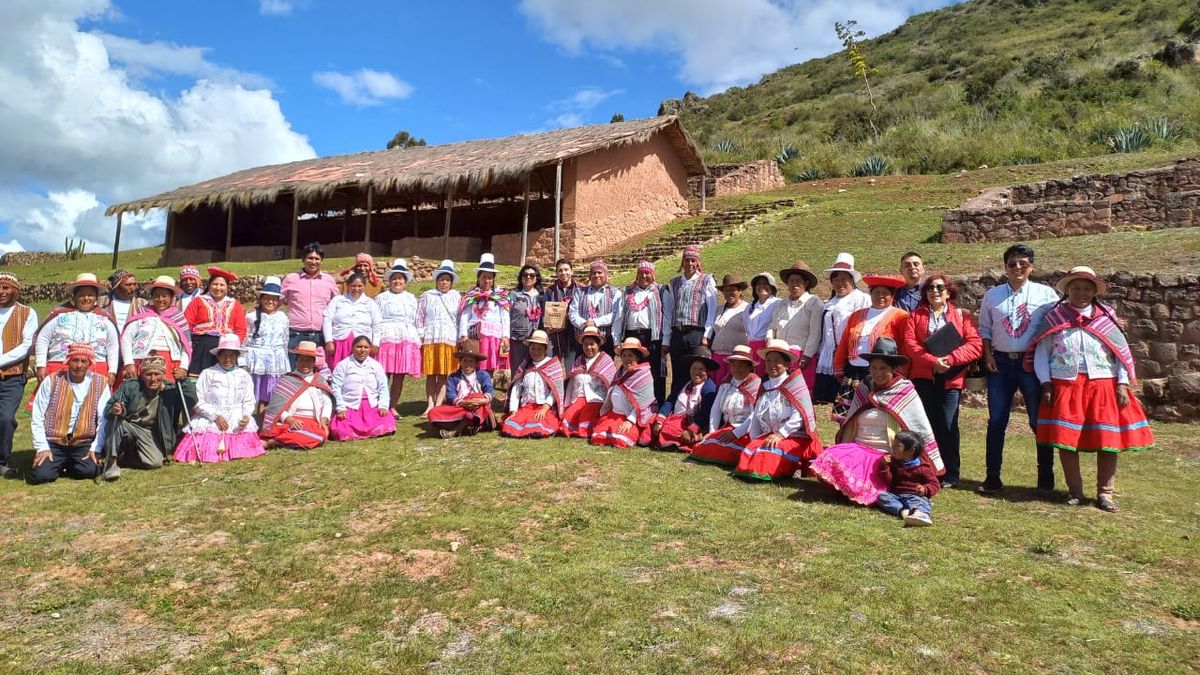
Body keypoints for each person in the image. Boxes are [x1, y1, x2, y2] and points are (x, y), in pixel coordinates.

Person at [1028, 266, 1155, 512]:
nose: (1081, 292)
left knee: (1107, 440)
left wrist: (1122, 382)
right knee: (1066, 441)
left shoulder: (1107, 317)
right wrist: (1045, 383)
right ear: (1068, 290)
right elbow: (1042, 354)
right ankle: (1074, 491)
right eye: (1076, 288)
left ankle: (1105, 493)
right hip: (1066, 384)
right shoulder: (1054, 318)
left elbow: (1120, 354)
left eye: (1087, 288)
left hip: (1103, 384)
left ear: (1095, 291)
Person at [809, 337, 944, 506]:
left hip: (883, 456)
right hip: (857, 449)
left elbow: (918, 428)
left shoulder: (904, 391)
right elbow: (850, 421)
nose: (877, 373)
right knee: (826, 459)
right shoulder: (865, 388)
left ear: (894, 369)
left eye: (883, 368)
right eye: (873, 368)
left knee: (871, 487)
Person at [977, 243, 1061, 494]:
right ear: (1005, 267)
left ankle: (1045, 477)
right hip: (1000, 364)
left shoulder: (1045, 295)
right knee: (997, 421)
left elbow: (1059, 323)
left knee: (1038, 421)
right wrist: (988, 354)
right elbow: (985, 328)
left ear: (1031, 267)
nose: (1017, 268)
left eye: (1023, 263)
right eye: (1012, 264)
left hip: (1032, 362)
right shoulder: (993, 295)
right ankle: (993, 477)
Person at [899, 272, 982, 488]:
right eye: (930, 288)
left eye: (939, 288)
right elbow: (910, 345)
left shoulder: (962, 316)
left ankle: (950, 471)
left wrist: (951, 359)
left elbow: (975, 345)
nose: (935, 291)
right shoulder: (915, 316)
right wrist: (932, 361)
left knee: (947, 424)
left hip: (951, 378)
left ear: (948, 292)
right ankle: (924, 469)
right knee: (924, 423)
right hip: (924, 377)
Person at [722, 339, 824, 481]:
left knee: (767, 458)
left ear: (787, 363)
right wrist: (755, 439)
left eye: (777, 361)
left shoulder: (795, 385)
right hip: (769, 435)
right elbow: (756, 415)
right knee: (750, 452)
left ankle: (795, 465)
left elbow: (799, 416)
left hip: (793, 437)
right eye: (769, 361)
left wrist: (781, 435)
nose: (772, 365)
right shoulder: (765, 386)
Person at [99, 353, 197, 480]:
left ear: (163, 375)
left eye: (157, 374)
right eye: (148, 374)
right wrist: (116, 410)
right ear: (142, 375)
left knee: (154, 463)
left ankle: (128, 457)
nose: (153, 378)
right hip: (129, 425)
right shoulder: (130, 386)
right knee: (117, 421)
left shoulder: (171, 390)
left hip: (151, 432)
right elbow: (108, 409)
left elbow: (191, 400)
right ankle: (111, 462)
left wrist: (184, 381)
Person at [174, 335, 266, 464]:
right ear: (218, 356)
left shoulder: (244, 375)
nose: (227, 359)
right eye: (224, 355)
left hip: (236, 417)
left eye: (232, 356)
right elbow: (198, 401)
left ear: (237, 357)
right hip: (211, 417)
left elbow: (249, 400)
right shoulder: (208, 373)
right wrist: (215, 416)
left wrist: (246, 416)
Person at [28, 343, 109, 484]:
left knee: (88, 471)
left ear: (89, 363)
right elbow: (38, 415)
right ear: (68, 361)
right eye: (75, 360)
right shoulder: (52, 380)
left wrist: (96, 447)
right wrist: (42, 448)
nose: (79, 365)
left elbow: (104, 419)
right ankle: (57, 463)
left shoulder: (100, 383)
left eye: (83, 361)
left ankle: (69, 464)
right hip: (54, 441)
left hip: (83, 441)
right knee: (41, 476)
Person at [833, 274, 909, 412]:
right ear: (870, 293)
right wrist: (839, 366)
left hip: (880, 372)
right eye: (876, 292)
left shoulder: (901, 316)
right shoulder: (857, 315)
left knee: (874, 411)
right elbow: (845, 342)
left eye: (885, 293)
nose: (880, 296)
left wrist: (900, 372)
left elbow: (905, 346)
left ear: (892, 296)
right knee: (849, 414)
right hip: (853, 371)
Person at [35, 273, 120, 386]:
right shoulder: (59, 316)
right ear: (74, 297)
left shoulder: (105, 320)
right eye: (81, 295)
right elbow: (43, 339)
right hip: (60, 367)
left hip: (97, 369)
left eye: (90, 295)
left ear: (96, 298)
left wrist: (112, 371)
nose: (86, 298)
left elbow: (112, 346)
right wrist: (41, 365)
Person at [690, 345, 761, 466]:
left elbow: (755, 416)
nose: (736, 369)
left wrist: (736, 433)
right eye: (734, 364)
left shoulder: (756, 385)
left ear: (750, 367)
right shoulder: (727, 383)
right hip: (727, 428)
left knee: (724, 450)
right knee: (704, 447)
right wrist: (712, 431)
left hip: (746, 431)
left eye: (741, 365)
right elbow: (716, 409)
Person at [814, 253, 870, 403]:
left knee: (851, 398)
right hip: (830, 355)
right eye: (836, 279)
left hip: (850, 354)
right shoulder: (830, 303)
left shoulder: (862, 299)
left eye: (844, 279)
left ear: (852, 280)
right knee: (835, 400)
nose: (840, 283)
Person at [663, 245, 718, 394]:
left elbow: (712, 308)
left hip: (696, 333)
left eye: (693, 260)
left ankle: (695, 404)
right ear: (682, 262)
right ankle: (675, 407)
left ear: (698, 263)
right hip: (678, 333)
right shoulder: (674, 283)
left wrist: (707, 334)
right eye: (686, 260)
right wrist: (666, 340)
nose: (689, 264)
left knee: (696, 370)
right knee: (678, 371)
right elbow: (669, 312)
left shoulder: (706, 280)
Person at [260, 341, 334, 450]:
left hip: (312, 422)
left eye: (308, 361)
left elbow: (327, 402)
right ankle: (282, 439)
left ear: (314, 363)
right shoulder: (287, 381)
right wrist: (289, 420)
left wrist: (324, 419)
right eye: (301, 360)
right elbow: (277, 407)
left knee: (319, 437)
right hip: (291, 421)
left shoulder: (319, 381)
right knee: (288, 431)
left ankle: (276, 441)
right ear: (296, 361)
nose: (305, 364)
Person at [120, 275, 192, 384]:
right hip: (140, 361)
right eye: (157, 296)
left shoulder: (178, 318)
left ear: (172, 297)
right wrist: (129, 363)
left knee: (166, 396)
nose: (160, 299)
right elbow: (126, 338)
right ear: (152, 297)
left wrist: (183, 367)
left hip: (170, 364)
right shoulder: (142, 313)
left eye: (164, 296)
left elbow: (186, 345)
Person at [613, 260, 667, 401]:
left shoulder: (660, 290)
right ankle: (632, 403)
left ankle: (656, 405)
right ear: (637, 275)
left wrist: (666, 339)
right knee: (632, 370)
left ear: (653, 275)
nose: (644, 276)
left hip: (652, 337)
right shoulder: (627, 292)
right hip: (631, 337)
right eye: (641, 273)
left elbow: (667, 316)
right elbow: (619, 316)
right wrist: (617, 339)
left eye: (647, 273)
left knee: (654, 373)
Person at [281, 242, 339, 370]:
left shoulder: (328, 280)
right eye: (310, 258)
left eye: (317, 258)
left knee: (321, 373)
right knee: (293, 372)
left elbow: (337, 305)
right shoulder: (291, 279)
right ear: (303, 259)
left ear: (322, 261)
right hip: (295, 335)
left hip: (321, 336)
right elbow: (277, 301)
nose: (313, 262)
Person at [0, 273, 36, 478]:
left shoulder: (27, 313)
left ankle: (2, 460)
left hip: (12, 376)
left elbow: (26, 346)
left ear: (15, 290)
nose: (1, 292)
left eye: (6, 288)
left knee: (5, 419)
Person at [590, 338, 657, 448]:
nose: (626, 359)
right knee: (598, 436)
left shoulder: (644, 375)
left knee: (620, 440)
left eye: (630, 356)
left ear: (637, 357)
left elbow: (643, 404)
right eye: (624, 356)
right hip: (615, 414)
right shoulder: (619, 373)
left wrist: (630, 421)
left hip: (634, 418)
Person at [376, 259, 422, 418]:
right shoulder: (382, 298)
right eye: (394, 278)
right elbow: (376, 319)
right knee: (383, 373)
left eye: (400, 279)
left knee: (399, 375)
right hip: (387, 336)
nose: (397, 281)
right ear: (389, 281)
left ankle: (393, 406)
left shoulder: (411, 298)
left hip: (406, 337)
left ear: (405, 281)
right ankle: (380, 405)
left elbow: (417, 318)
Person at [767, 260, 823, 391]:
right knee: (781, 391)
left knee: (800, 393)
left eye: (798, 281)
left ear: (806, 283)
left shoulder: (813, 303)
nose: (794, 285)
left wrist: (807, 355)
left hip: (801, 355)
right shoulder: (781, 304)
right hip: (780, 355)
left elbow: (815, 332)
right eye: (791, 281)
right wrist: (770, 342)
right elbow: (772, 327)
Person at [416, 260, 462, 415]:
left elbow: (459, 318)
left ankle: (438, 404)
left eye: (447, 280)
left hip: (448, 338)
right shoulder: (427, 296)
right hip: (431, 338)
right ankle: (429, 404)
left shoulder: (456, 297)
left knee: (443, 374)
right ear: (437, 281)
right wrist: (421, 335)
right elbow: (419, 317)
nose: (444, 282)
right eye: (442, 279)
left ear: (451, 282)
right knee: (431, 374)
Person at [329, 335, 396, 441]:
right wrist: (341, 408)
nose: (362, 350)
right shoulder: (343, 365)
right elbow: (335, 387)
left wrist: (383, 405)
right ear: (352, 348)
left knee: (387, 422)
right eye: (359, 347)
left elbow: (383, 386)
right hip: (350, 406)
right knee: (340, 429)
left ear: (370, 349)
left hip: (371, 405)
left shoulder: (376, 365)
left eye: (366, 347)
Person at [652, 346, 718, 452]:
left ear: (707, 371)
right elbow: (670, 401)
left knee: (683, 435)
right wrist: (660, 419)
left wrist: (693, 429)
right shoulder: (683, 382)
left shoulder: (709, 388)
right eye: (694, 368)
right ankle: (679, 441)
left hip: (697, 423)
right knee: (658, 426)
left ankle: (696, 438)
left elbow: (706, 413)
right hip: (677, 420)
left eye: (700, 369)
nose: (696, 372)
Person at [184, 266, 247, 376]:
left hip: (226, 349)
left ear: (227, 287)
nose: (218, 288)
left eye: (222, 285)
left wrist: (233, 347)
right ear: (209, 285)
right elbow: (185, 325)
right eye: (215, 284)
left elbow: (241, 329)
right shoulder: (198, 301)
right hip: (201, 347)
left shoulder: (234, 304)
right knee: (199, 380)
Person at [502, 330, 564, 439]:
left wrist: (545, 408)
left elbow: (556, 391)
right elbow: (516, 391)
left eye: (539, 349)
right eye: (533, 348)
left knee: (539, 425)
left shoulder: (553, 365)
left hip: (544, 408)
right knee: (510, 425)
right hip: (527, 407)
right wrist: (513, 411)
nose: (535, 352)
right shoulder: (525, 367)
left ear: (545, 349)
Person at [242, 276, 290, 415]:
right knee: (250, 394)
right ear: (261, 299)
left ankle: (263, 425)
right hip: (255, 360)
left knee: (268, 395)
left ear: (279, 301)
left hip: (275, 361)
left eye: (274, 299)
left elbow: (285, 339)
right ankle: (247, 422)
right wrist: (242, 359)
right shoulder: (252, 317)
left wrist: (284, 358)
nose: (270, 301)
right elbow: (246, 338)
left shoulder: (283, 318)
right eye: (267, 298)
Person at [427, 340, 495, 438]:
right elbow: (450, 395)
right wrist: (463, 403)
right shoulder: (454, 377)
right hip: (461, 408)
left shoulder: (483, 375)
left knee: (478, 398)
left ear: (476, 363)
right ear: (460, 362)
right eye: (465, 361)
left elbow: (489, 391)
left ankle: (456, 430)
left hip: (478, 406)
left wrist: (482, 400)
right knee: (433, 413)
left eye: (471, 361)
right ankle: (470, 424)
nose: (467, 364)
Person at [559, 326, 617, 438]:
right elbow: (571, 383)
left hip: (597, 399)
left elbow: (612, 386)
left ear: (598, 345)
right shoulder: (579, 360)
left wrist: (609, 407)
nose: (588, 347)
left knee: (588, 412)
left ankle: (586, 428)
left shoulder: (606, 360)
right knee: (569, 416)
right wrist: (566, 405)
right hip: (579, 397)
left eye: (592, 344)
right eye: (585, 344)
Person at [458, 253, 511, 374]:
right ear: (478, 278)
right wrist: (463, 335)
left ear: (493, 279)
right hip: (475, 337)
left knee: (491, 368)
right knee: (473, 367)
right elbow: (465, 316)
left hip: (493, 337)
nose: (487, 280)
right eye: (484, 277)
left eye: (490, 277)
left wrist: (505, 337)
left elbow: (505, 317)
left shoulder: (500, 296)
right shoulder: (471, 296)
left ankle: (488, 392)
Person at [874, 431, 940, 527]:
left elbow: (934, 484)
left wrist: (925, 489)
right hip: (896, 495)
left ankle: (922, 515)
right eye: (893, 444)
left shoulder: (923, 467)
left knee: (918, 502)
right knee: (882, 497)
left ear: (910, 451)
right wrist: (884, 466)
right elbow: (890, 480)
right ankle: (904, 511)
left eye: (897, 446)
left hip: (914, 495)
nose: (893, 448)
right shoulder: (894, 462)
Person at [324, 272, 382, 370]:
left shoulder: (370, 303)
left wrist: (375, 344)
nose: (356, 289)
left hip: (362, 345)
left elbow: (377, 324)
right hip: (340, 343)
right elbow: (327, 320)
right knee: (339, 371)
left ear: (364, 286)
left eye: (360, 286)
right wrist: (328, 341)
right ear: (347, 286)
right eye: (353, 286)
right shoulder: (337, 300)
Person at [569, 259, 620, 355]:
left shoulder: (615, 292)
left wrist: (595, 322)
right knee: (581, 367)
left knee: (605, 367)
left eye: (599, 272)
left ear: (606, 275)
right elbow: (572, 313)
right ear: (590, 276)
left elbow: (616, 314)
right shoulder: (580, 292)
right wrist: (584, 323)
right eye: (593, 273)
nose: (596, 275)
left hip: (605, 340)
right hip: (584, 340)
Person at [709, 275, 749, 385]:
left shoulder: (747, 309)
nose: (729, 293)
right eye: (726, 290)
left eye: (733, 290)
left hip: (735, 360)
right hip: (717, 358)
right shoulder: (719, 309)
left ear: (740, 291)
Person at [544, 258, 581, 369]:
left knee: (571, 369)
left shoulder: (580, 289)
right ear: (556, 273)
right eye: (560, 270)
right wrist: (548, 325)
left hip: (573, 335)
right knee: (553, 368)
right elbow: (546, 312)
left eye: (566, 270)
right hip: (555, 336)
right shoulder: (550, 291)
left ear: (572, 271)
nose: (563, 273)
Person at [508, 264, 545, 372]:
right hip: (518, 338)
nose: (528, 277)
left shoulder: (542, 296)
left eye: (532, 275)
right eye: (525, 275)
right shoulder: (513, 295)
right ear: (521, 278)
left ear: (536, 278)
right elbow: (506, 315)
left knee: (535, 370)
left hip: (537, 339)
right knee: (517, 370)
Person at [744, 273, 781, 378]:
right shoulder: (751, 306)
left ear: (772, 287)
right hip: (751, 347)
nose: (762, 286)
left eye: (765, 284)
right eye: (759, 284)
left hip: (766, 346)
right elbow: (746, 326)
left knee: (765, 376)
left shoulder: (777, 303)